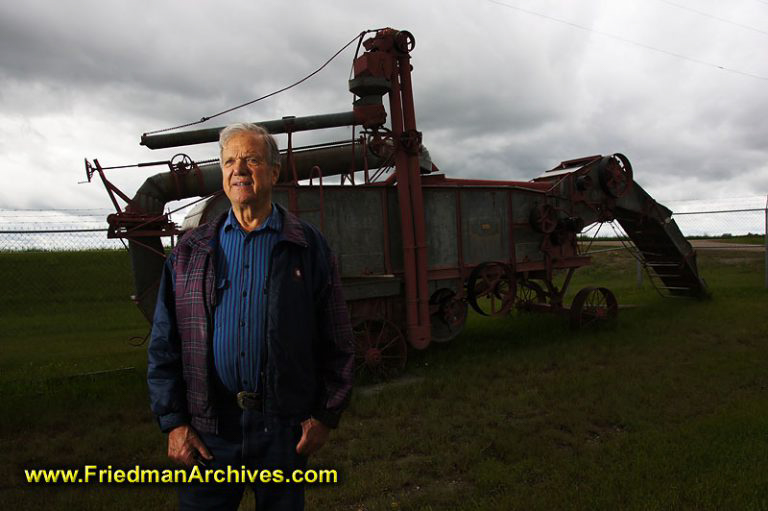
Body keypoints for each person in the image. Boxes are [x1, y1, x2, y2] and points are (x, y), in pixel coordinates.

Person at [147, 122, 355, 510]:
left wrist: (326, 414)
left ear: (274, 172)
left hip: (282, 429)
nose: (239, 169)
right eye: (230, 161)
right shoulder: (190, 251)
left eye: (252, 160)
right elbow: (164, 345)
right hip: (208, 430)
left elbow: (338, 339)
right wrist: (174, 422)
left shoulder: (307, 246)